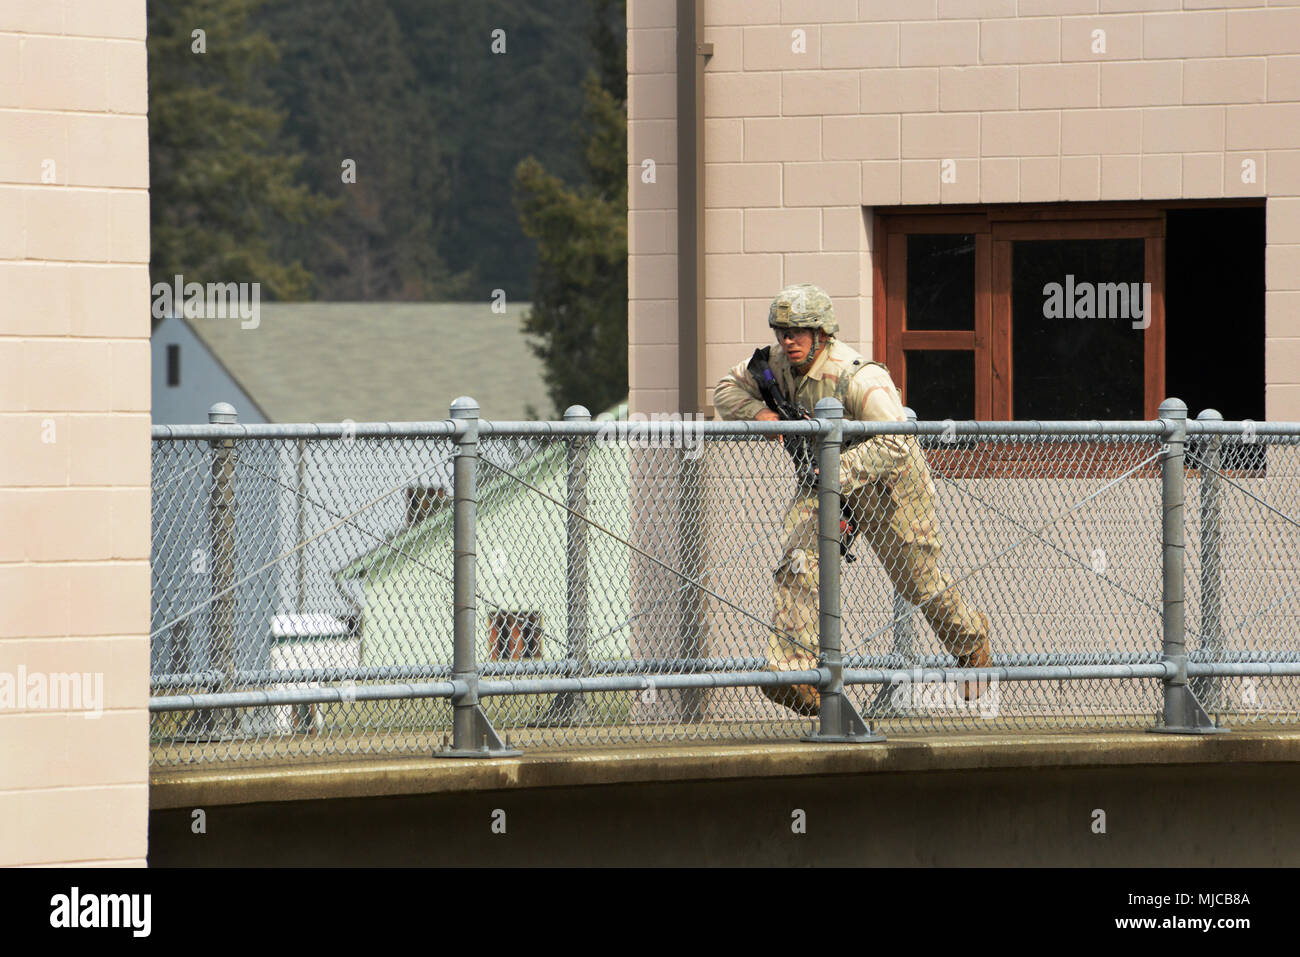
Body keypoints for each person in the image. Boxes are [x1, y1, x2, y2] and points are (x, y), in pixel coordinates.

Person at [713, 282, 992, 716]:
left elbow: (898, 442)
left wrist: (835, 469)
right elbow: (727, 389)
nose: (788, 341)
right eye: (782, 331)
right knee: (797, 565)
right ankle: (795, 673)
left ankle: (970, 641)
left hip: (887, 482)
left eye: (799, 331)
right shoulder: (774, 367)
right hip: (822, 480)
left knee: (918, 583)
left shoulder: (857, 376)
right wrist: (762, 414)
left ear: (822, 333)